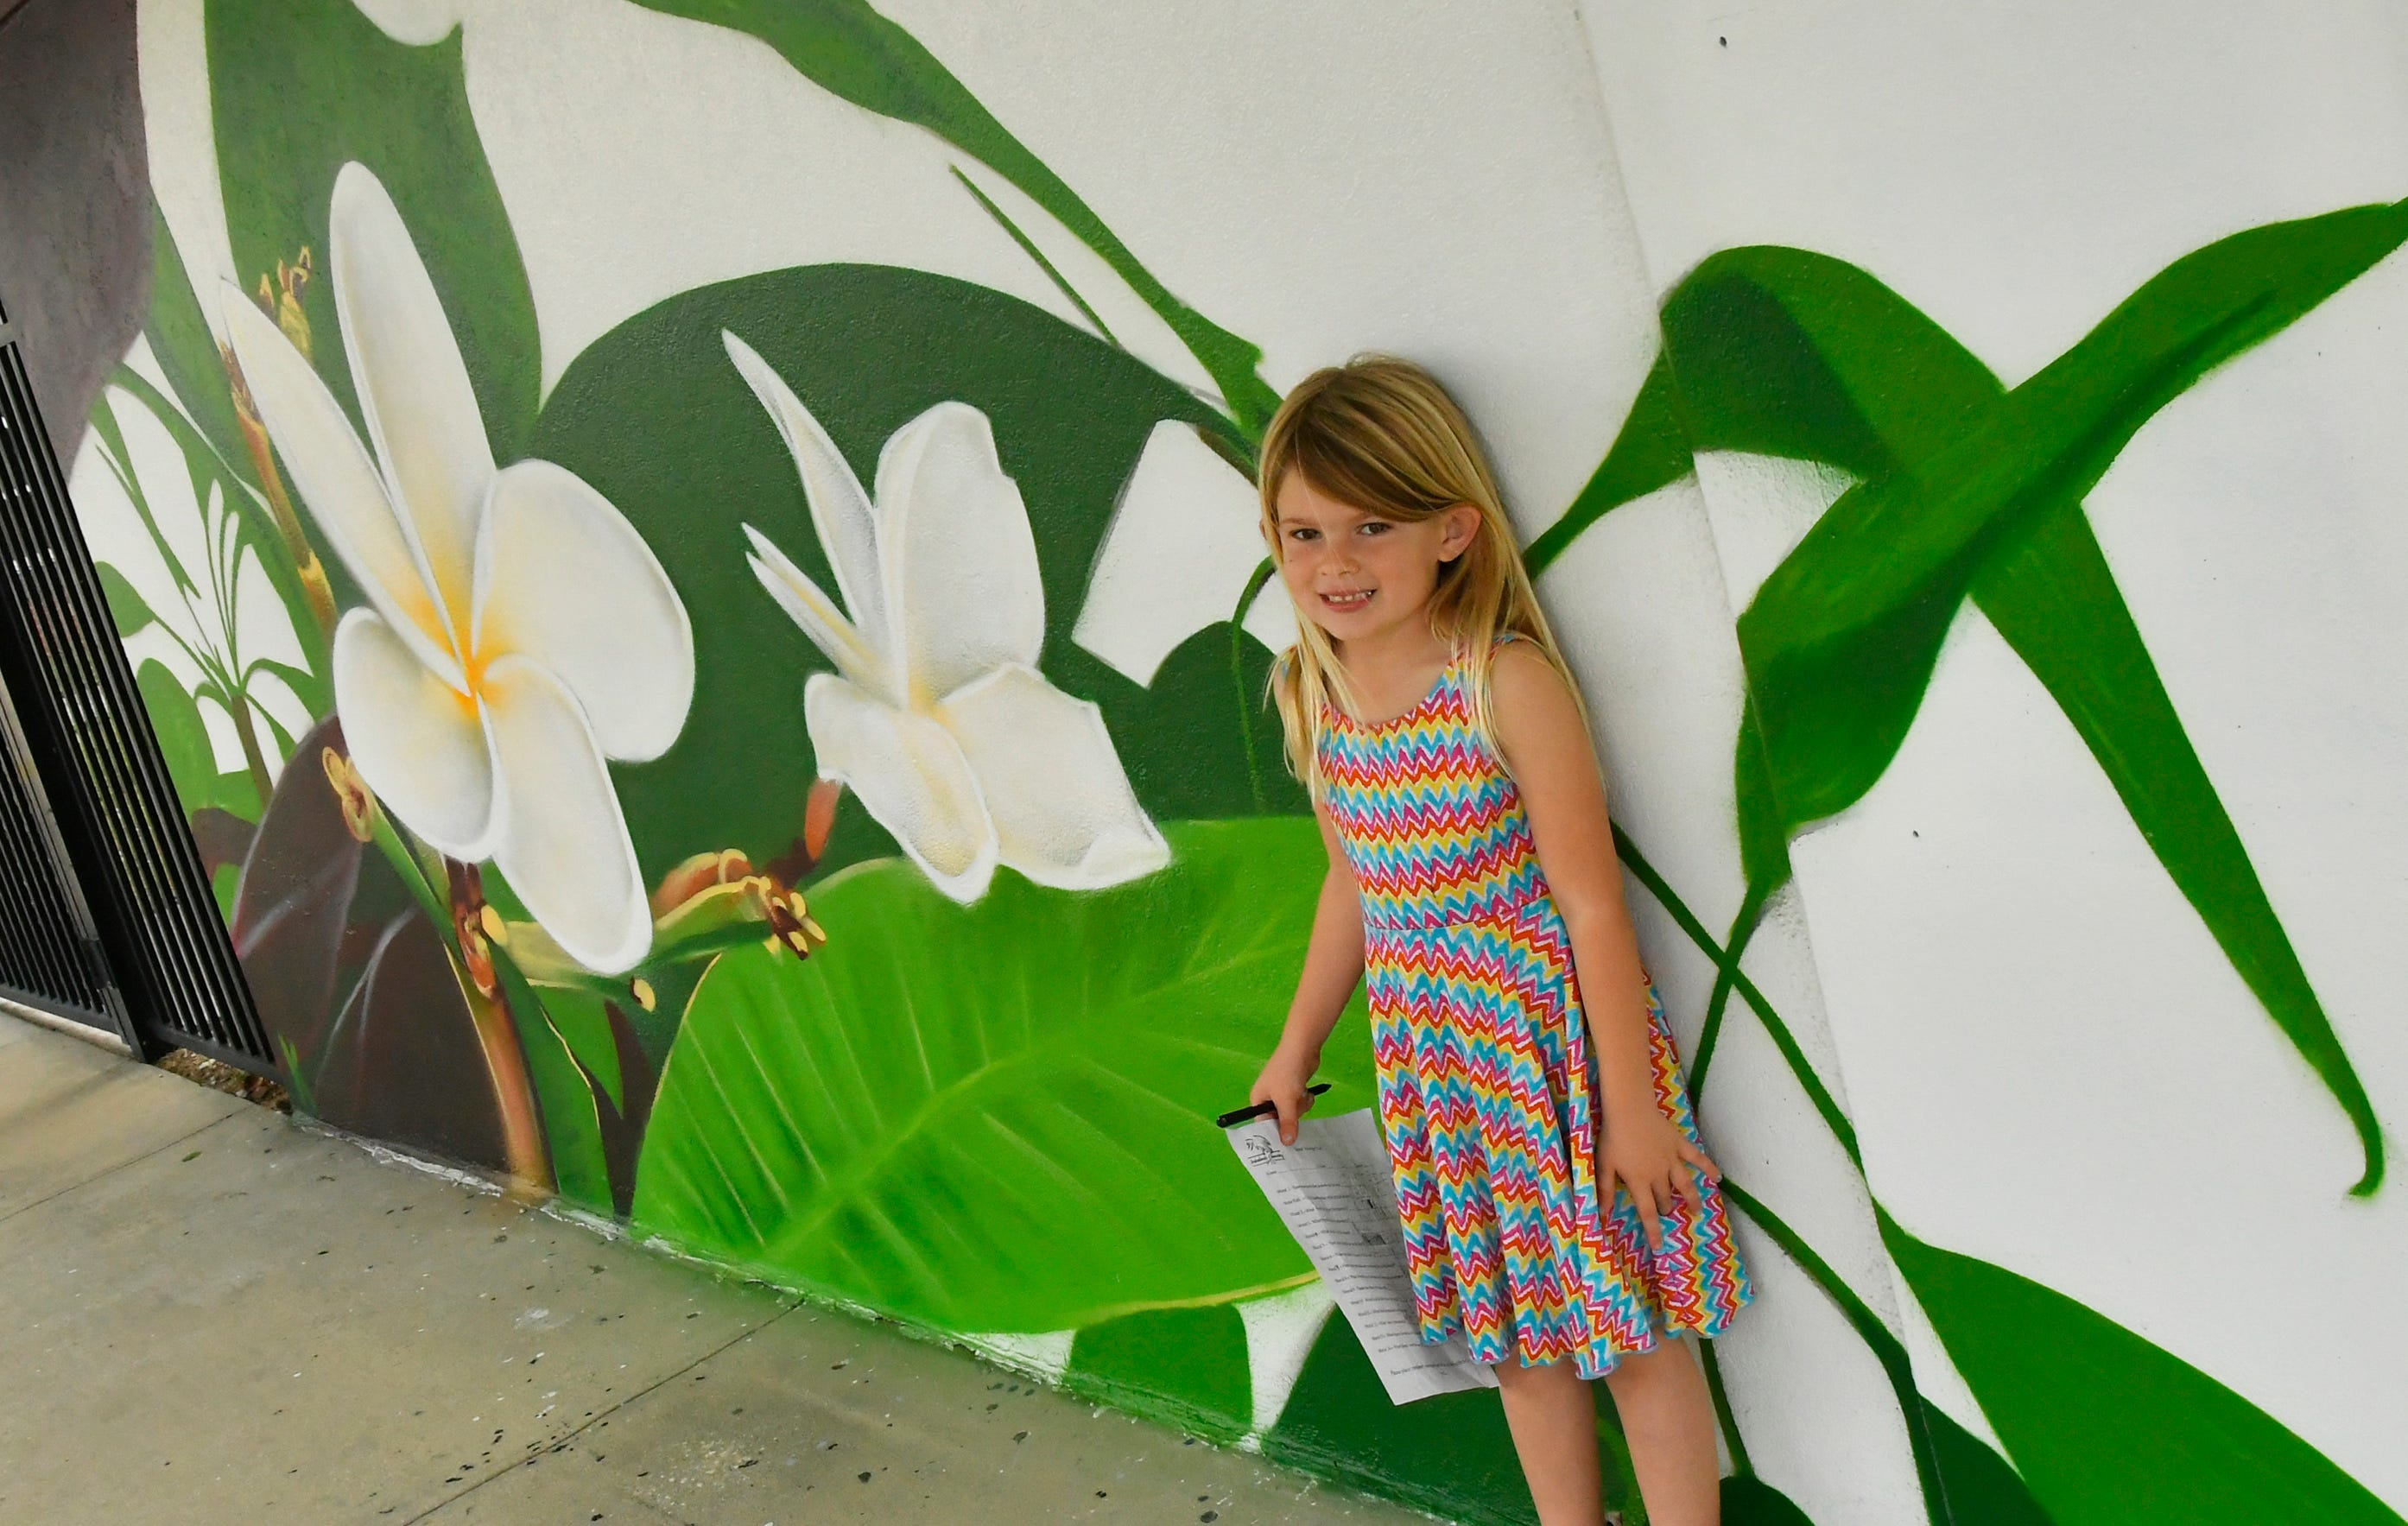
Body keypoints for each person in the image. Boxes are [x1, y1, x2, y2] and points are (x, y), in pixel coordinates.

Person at [1246, 356, 1752, 1525]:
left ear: (1453, 530)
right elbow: (1351, 885)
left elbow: (1587, 900)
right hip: (1436, 1065)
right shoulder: (1308, 690)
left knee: (1631, 1323)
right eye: (1305, 531)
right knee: (1518, 1334)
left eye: (1374, 524)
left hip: (1552, 1056)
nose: (1336, 563)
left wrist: (1631, 1111)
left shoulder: (1503, 682)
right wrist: (1294, 1046)